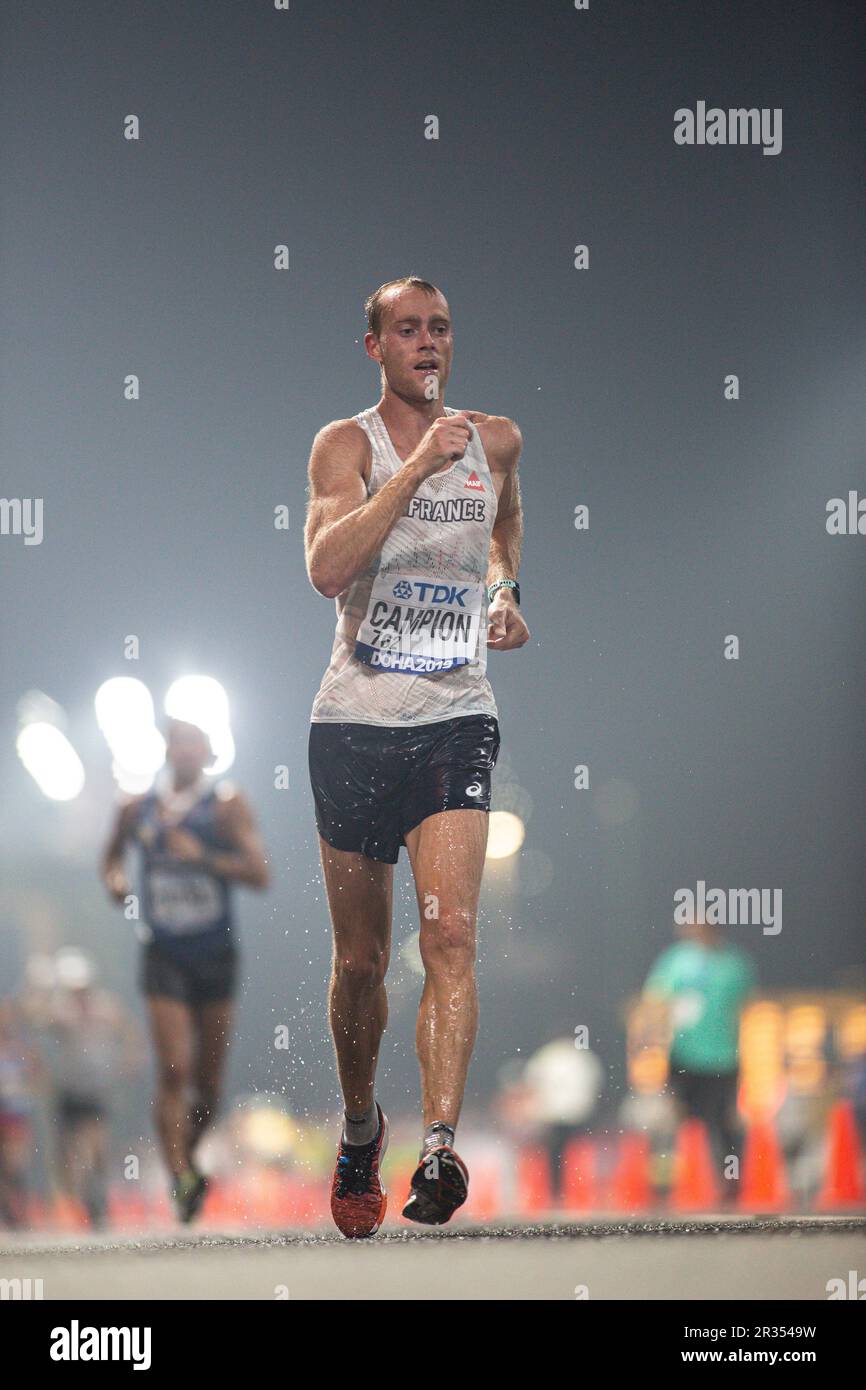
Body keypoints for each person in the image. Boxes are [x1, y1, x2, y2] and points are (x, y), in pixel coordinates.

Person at [305, 276, 529, 1236]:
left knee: (449, 939)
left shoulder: (497, 440)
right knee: (360, 960)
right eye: (408, 331)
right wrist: (414, 472)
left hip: (454, 717)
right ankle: (363, 1130)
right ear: (375, 348)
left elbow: (505, 521)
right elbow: (326, 569)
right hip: (356, 722)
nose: (428, 343)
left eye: (440, 329)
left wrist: (505, 587)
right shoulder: (346, 444)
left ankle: (439, 1147)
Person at [101, 718, 269, 1222]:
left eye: (196, 743)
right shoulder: (137, 807)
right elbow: (110, 859)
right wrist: (116, 883)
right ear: (167, 749)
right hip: (164, 954)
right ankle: (179, 1174)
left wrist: (205, 859)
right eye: (178, 742)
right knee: (173, 1069)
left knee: (209, 1084)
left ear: (210, 753)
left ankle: (190, 1153)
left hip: (215, 954)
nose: (186, 751)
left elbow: (259, 873)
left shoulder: (225, 804)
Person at [643, 917, 757, 1196]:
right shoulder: (676, 960)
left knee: (723, 1121)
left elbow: (746, 1006)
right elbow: (657, 1000)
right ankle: (665, 1184)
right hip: (684, 1054)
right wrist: (653, 1037)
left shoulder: (734, 963)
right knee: (674, 1119)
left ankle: (731, 1182)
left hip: (723, 1056)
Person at [26, 948, 140, 1229]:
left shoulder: (106, 1006)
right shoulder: (61, 1009)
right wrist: (38, 985)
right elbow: (34, 1016)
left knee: (98, 1147)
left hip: (97, 1088)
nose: (80, 994)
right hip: (69, 1089)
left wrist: (129, 1060)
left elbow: (129, 1033)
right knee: (71, 1150)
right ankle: (79, 1197)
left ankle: (96, 1195)